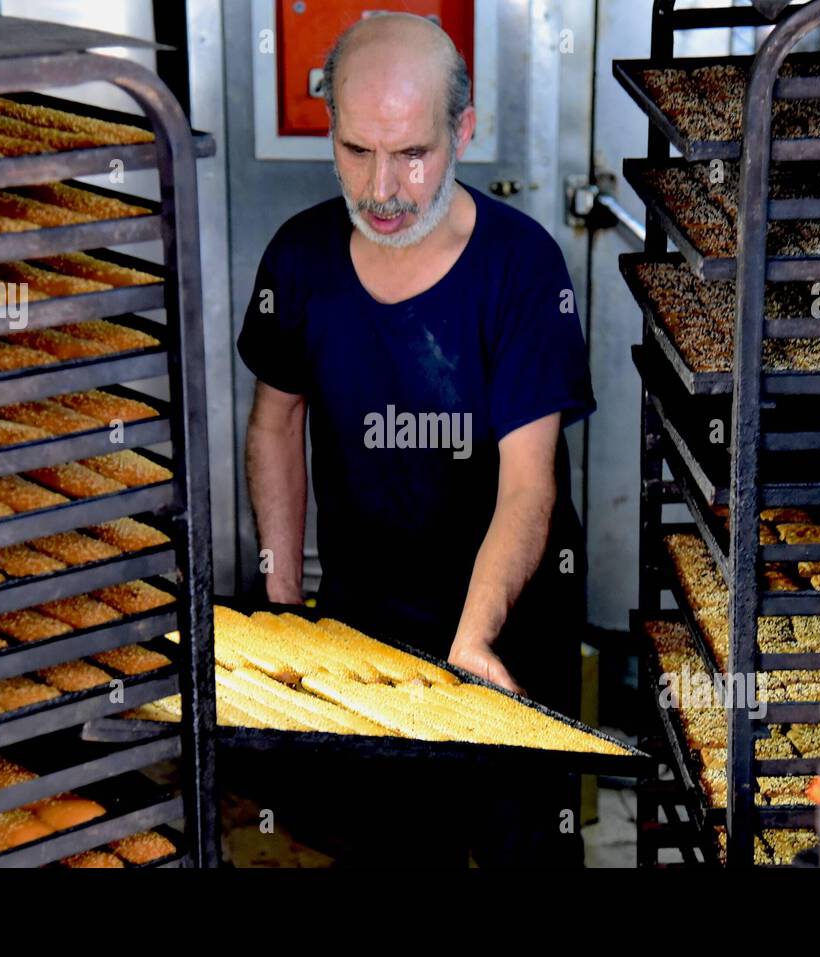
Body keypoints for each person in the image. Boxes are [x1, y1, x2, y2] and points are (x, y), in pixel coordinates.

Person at [236, 11, 595, 867]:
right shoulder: (300, 260)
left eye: (412, 154)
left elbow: (528, 487)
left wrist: (472, 642)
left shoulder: (523, 268)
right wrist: (285, 603)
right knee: (391, 851)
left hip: (508, 632)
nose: (383, 189)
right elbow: (275, 422)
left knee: (524, 851)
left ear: (462, 131)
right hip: (369, 629)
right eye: (357, 151)